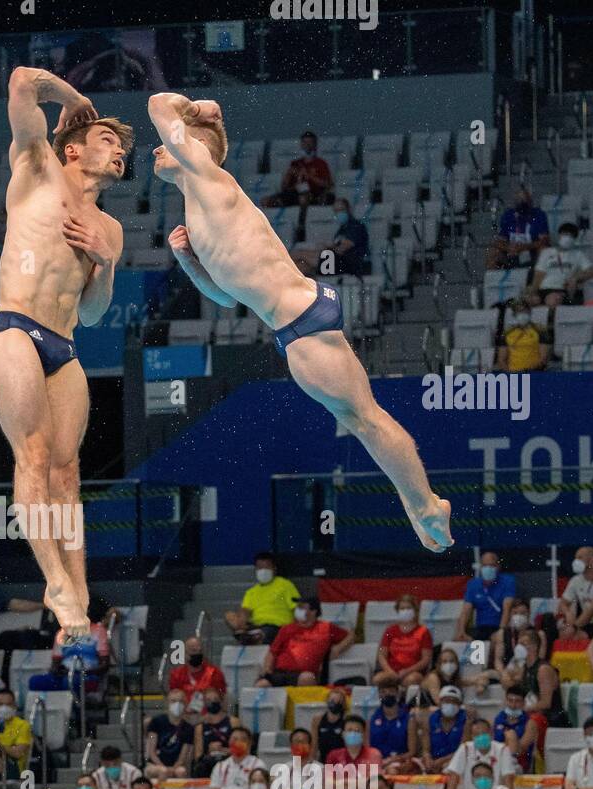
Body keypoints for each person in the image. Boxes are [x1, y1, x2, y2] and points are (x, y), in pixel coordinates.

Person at [149, 93, 452, 552]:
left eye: (167, 144)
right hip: (292, 323)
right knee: (358, 419)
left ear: (190, 146)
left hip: (301, 319)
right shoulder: (198, 201)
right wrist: (188, 261)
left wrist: (195, 109)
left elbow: (156, 102)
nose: (155, 151)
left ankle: (427, 504)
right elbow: (226, 299)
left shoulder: (207, 178)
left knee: (366, 419)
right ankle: (418, 504)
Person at [0, 67, 133, 635]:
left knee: (68, 473)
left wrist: (106, 262)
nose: (118, 152)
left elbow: (92, 313)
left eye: (121, 147)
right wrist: (73, 96)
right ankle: (54, 582)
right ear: (73, 146)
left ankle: (79, 592)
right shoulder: (37, 164)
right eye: (107, 139)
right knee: (35, 457)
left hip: (63, 345)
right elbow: (18, 81)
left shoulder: (109, 228)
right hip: (12, 326)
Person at [255, 597, 354, 687]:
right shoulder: (286, 629)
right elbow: (272, 652)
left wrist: (338, 648)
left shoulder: (326, 628)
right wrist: (267, 667)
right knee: (261, 685)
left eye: (301, 607)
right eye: (298, 607)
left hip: (305, 674)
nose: (297, 610)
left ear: (313, 611)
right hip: (280, 673)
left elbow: (351, 635)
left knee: (306, 678)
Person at [223, 552, 300, 644]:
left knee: (266, 632)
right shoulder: (251, 592)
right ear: (255, 570)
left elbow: (297, 608)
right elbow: (245, 610)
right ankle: (247, 636)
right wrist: (241, 620)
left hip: (277, 627)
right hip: (256, 626)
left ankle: (250, 638)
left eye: (267, 567)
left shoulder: (285, 585)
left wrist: (296, 630)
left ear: (274, 569)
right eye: (260, 568)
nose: (263, 571)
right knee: (229, 615)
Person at [444, 717, 518, 789]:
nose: (480, 736)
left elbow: (508, 780)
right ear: (472, 736)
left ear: (491, 734)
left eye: (484, 733)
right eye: (476, 734)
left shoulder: (502, 750)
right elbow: (453, 776)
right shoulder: (465, 749)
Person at [292, 197, 369, 277]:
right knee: (302, 265)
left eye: (341, 210)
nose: (339, 213)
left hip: (347, 265)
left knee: (300, 254)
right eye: (336, 211)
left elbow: (342, 248)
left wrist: (328, 247)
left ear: (348, 209)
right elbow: (336, 248)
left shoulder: (356, 226)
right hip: (334, 262)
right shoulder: (341, 230)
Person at [452, 551, 516, 644]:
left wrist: (501, 631)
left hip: (500, 626)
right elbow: (466, 611)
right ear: (481, 567)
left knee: (499, 640)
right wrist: (461, 631)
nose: (488, 568)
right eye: (485, 565)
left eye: (491, 565)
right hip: (480, 628)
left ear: (498, 567)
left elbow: (507, 609)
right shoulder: (473, 584)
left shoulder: (508, 581)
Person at [527, 222, 593, 309]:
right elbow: (539, 274)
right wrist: (533, 292)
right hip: (543, 289)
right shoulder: (546, 252)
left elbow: (592, 272)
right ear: (559, 235)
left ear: (574, 239)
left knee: (552, 300)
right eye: (565, 234)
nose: (568, 238)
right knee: (527, 300)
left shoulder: (578, 255)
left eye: (571, 236)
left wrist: (576, 278)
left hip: (560, 289)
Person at [262, 130, 334, 208]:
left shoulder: (321, 163)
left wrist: (308, 175)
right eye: (305, 142)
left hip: (314, 194)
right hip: (294, 194)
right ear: (301, 144)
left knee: (306, 199)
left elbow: (327, 184)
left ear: (315, 144)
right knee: (266, 200)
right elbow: (284, 187)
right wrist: (289, 175)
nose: (307, 145)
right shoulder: (295, 163)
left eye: (310, 142)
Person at [373, 595, 432, 689]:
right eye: (402, 608)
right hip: (391, 670)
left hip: (413, 671)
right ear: (398, 610)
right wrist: (390, 672)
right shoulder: (390, 630)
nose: (405, 611)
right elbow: (381, 655)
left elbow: (426, 659)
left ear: (415, 610)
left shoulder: (423, 631)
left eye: (408, 608)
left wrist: (407, 671)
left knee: (411, 680)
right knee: (377, 679)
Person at [486, 185, 549, 270]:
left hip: (531, 251)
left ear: (530, 201)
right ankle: (495, 281)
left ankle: (536, 280)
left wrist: (524, 247)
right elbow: (500, 240)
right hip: (512, 251)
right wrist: (509, 247)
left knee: (543, 250)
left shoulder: (539, 215)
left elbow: (544, 241)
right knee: (493, 252)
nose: (521, 202)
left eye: (524, 200)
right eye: (518, 200)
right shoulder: (508, 215)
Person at [413, 683, 467, 773]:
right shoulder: (430, 720)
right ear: (440, 702)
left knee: (449, 769)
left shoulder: (465, 721)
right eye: (446, 701)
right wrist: (428, 758)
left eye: (454, 701)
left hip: (455, 759)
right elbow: (426, 749)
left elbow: (464, 749)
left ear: (459, 705)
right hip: (434, 760)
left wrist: (442, 761)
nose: (450, 704)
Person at [165, 635, 225, 716]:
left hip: (208, 717)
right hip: (185, 717)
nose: (197, 653)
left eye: (200, 651)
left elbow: (222, 698)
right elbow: (173, 700)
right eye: (193, 651)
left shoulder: (214, 673)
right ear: (185, 654)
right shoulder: (176, 675)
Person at [144, 690, 193, 779]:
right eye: (173, 701)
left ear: (185, 704)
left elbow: (183, 756)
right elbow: (152, 751)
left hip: (176, 765)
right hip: (155, 764)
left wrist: (173, 768)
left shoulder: (188, 728)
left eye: (181, 701)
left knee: (181, 772)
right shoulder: (156, 722)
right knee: (163, 772)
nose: (177, 704)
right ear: (168, 703)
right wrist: (163, 767)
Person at [368, 679, 413, 773]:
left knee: (393, 771)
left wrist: (393, 760)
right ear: (379, 695)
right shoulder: (371, 720)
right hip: (375, 761)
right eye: (383, 692)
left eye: (391, 691)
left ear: (398, 694)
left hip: (398, 761)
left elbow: (412, 751)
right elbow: (367, 747)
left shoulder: (408, 719)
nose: (387, 694)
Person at [191, 686, 235, 776]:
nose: (212, 702)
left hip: (229, 761)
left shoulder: (233, 722)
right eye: (208, 700)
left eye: (215, 699)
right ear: (204, 703)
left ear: (221, 701)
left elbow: (241, 749)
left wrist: (223, 750)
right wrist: (209, 751)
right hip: (208, 763)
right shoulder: (200, 727)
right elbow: (198, 756)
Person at [495, 299, 548, 372]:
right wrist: (511, 374)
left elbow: (544, 357)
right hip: (513, 374)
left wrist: (529, 372)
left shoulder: (540, 331)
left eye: (524, 311)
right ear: (514, 315)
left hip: (535, 373)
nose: (522, 314)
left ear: (529, 312)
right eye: (519, 312)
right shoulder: (507, 333)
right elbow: (501, 360)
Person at [311, 689, 348, 763]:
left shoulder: (347, 720)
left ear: (343, 704)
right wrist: (311, 762)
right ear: (327, 701)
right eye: (333, 700)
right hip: (323, 760)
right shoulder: (317, 720)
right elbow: (314, 744)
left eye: (339, 701)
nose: (335, 703)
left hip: (341, 762)